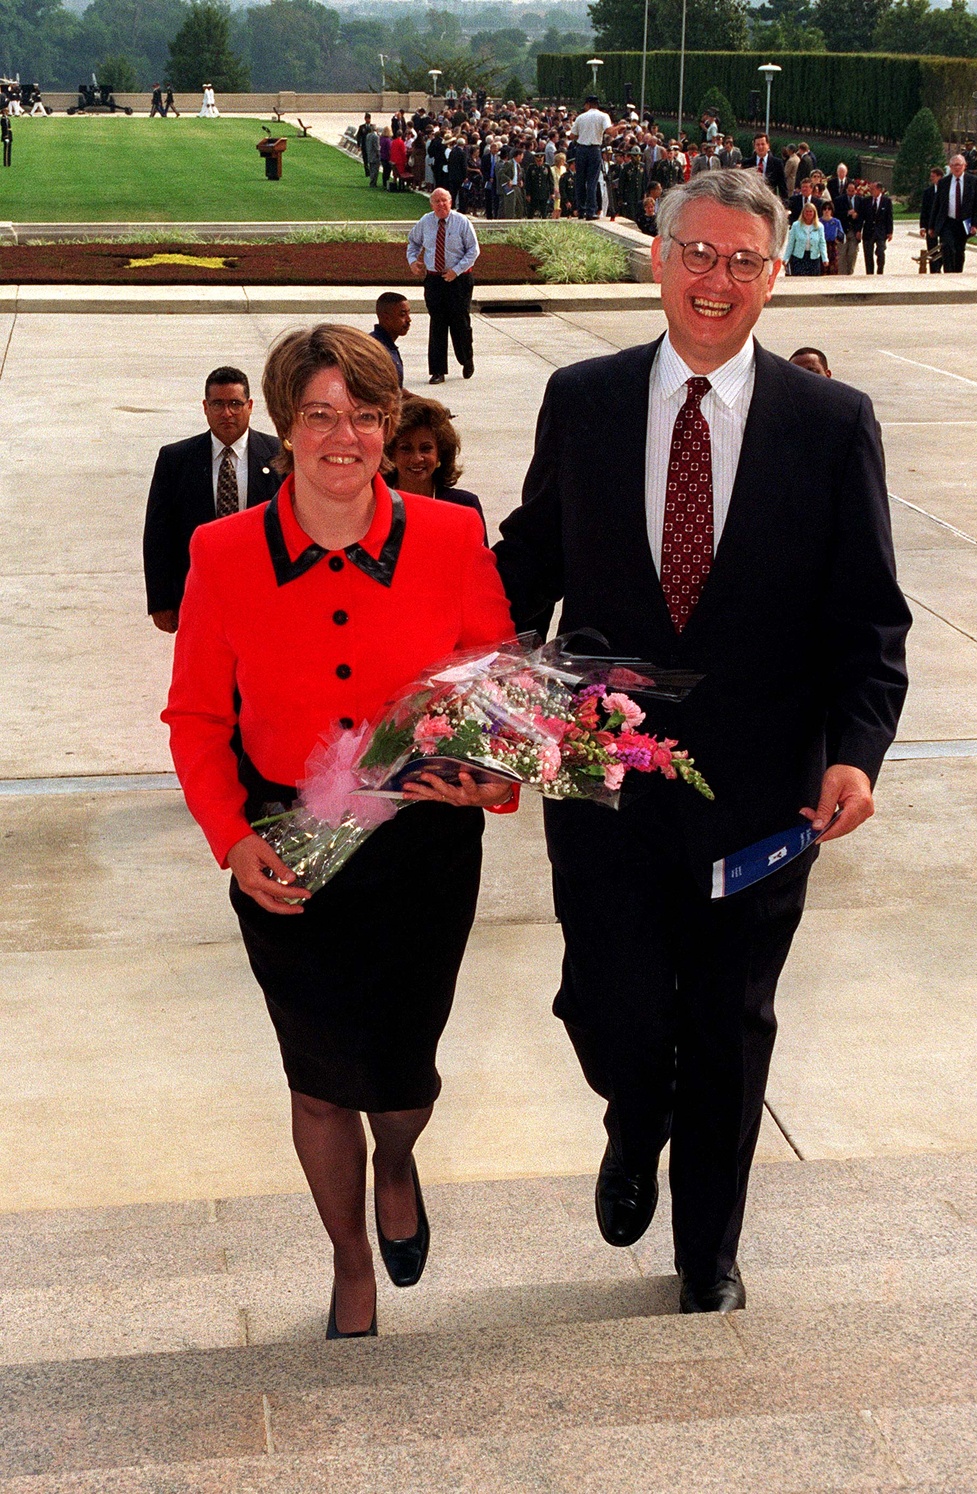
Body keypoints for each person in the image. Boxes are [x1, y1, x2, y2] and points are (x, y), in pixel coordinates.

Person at [493, 169, 910, 1315]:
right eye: (697, 253)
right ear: (657, 259)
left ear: (775, 275)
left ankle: (707, 1254)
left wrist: (855, 753)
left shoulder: (831, 426)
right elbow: (530, 568)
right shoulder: (581, 400)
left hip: (763, 796)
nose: (715, 280)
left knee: (730, 1020)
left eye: (742, 261)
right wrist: (457, 668)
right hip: (602, 782)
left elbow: (867, 618)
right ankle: (637, 1113)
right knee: (610, 1003)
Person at [163, 325, 515, 1340]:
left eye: (366, 413)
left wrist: (488, 777)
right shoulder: (221, 552)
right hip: (286, 848)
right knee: (318, 1079)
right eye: (320, 413)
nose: (345, 436)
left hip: (420, 848)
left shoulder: (450, 535)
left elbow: (497, 687)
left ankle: (399, 1159)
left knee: (399, 1085)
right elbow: (195, 719)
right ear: (284, 427)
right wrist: (232, 839)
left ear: (392, 424)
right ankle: (349, 1261)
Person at [143, 367, 281, 632]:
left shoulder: (279, 456)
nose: (227, 413)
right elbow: (158, 534)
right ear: (205, 407)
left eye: (235, 404)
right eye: (218, 404)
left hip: (264, 595)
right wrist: (160, 601)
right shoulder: (176, 460)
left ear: (250, 406)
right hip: (200, 595)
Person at [406, 187, 479, 386]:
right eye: (437, 201)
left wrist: (456, 270)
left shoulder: (462, 222)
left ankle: (466, 359)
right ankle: (437, 371)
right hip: (434, 280)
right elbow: (412, 242)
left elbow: (473, 250)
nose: (441, 205)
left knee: (459, 322)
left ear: (451, 202)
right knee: (437, 323)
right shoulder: (425, 222)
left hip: (459, 280)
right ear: (431, 205)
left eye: (444, 200)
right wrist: (413, 261)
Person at [384, 396, 486, 532]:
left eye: (426, 448)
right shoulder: (373, 505)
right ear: (392, 454)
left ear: (440, 453)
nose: (417, 458)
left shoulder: (465, 505)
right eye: (405, 448)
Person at [930, 153, 977, 274]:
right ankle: (948, 274)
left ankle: (958, 273)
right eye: (953, 165)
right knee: (947, 248)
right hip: (947, 222)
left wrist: (975, 224)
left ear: (964, 166)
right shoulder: (944, 182)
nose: (956, 167)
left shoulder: (973, 181)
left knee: (959, 251)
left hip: (964, 222)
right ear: (950, 167)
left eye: (959, 165)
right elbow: (936, 205)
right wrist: (932, 226)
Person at [570, 94, 616, 221]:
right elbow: (609, 131)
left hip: (581, 149)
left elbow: (572, 135)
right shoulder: (603, 116)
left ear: (588, 104)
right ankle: (591, 211)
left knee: (580, 180)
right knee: (592, 181)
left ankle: (581, 210)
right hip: (594, 149)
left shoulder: (580, 117)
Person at [369, 292, 411, 390]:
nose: (409, 320)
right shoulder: (377, 351)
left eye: (409, 313)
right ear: (386, 318)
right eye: (403, 315)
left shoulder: (387, 345)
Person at [784, 201, 827, 275]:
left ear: (814, 213)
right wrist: (786, 258)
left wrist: (825, 258)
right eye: (806, 211)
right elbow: (791, 243)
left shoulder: (820, 226)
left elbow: (822, 243)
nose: (808, 214)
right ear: (803, 213)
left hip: (814, 259)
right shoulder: (796, 225)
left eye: (811, 211)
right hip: (798, 258)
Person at [862, 183, 893, 276]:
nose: (870, 191)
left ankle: (880, 272)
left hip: (881, 232)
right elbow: (862, 217)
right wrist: (859, 230)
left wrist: (890, 232)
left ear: (879, 190)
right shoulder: (866, 201)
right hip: (868, 231)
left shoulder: (886, 201)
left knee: (880, 252)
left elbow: (889, 217)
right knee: (868, 254)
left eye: (873, 189)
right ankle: (869, 273)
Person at [744, 134, 787, 199]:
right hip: (752, 202)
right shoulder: (746, 164)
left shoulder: (777, 163)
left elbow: (782, 188)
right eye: (758, 145)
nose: (760, 147)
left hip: (769, 201)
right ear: (754, 146)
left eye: (763, 144)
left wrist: (785, 207)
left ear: (768, 145)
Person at [920, 166, 945, 273]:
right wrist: (923, 226)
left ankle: (941, 263)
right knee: (932, 249)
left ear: (940, 177)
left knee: (945, 247)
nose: (931, 179)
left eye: (933, 177)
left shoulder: (946, 190)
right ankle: (934, 270)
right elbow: (924, 210)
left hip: (944, 225)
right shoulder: (928, 192)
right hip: (931, 225)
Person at [820, 201, 844, 274]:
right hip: (821, 246)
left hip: (832, 246)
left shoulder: (836, 221)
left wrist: (838, 239)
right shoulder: (818, 221)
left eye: (829, 209)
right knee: (822, 268)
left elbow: (841, 234)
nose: (827, 211)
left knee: (833, 267)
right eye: (825, 209)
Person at [364, 122, 380, 188]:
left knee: (371, 169)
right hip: (374, 155)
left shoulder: (368, 135)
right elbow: (376, 147)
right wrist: (379, 154)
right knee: (375, 170)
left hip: (369, 154)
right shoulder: (375, 136)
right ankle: (373, 183)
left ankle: (372, 182)